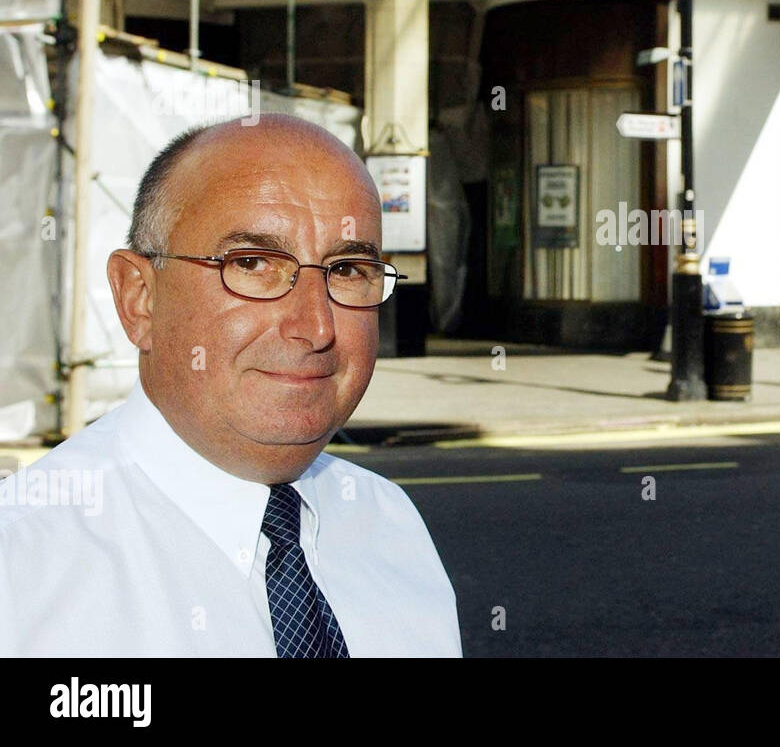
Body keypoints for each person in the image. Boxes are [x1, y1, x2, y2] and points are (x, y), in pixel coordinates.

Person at [0, 114, 462, 657]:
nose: (315, 327)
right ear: (139, 299)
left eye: (347, 270)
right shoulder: (24, 568)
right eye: (252, 264)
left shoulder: (391, 527)